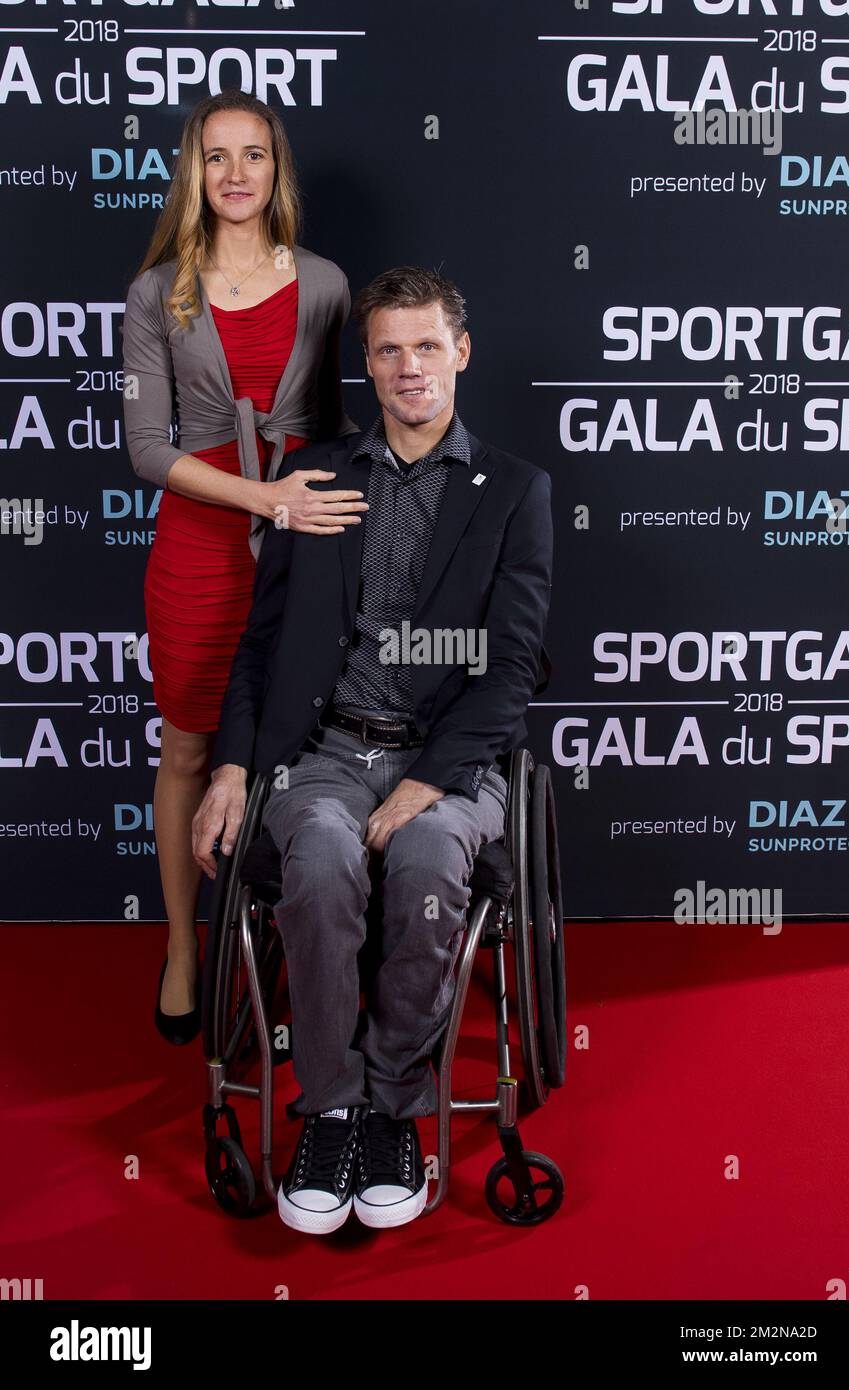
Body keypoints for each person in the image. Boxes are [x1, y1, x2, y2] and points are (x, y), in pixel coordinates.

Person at [192, 265, 554, 1234]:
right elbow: (260, 645)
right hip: (327, 751)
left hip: (449, 757)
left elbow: (513, 667)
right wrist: (229, 766)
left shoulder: (515, 491)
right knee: (318, 856)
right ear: (367, 363)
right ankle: (332, 1105)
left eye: (426, 345)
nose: (409, 366)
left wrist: (431, 780)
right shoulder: (316, 477)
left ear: (461, 353)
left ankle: (395, 1106)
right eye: (388, 349)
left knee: (433, 859)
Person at [121, 89, 367, 1045]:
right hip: (203, 545)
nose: (235, 175)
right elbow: (147, 448)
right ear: (193, 171)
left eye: (253, 155)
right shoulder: (158, 292)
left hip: (305, 536)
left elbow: (338, 429)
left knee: (302, 746)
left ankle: (299, 936)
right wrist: (264, 498)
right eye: (216, 157)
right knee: (187, 748)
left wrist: (330, 516)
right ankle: (185, 947)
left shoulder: (324, 283)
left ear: (276, 170)